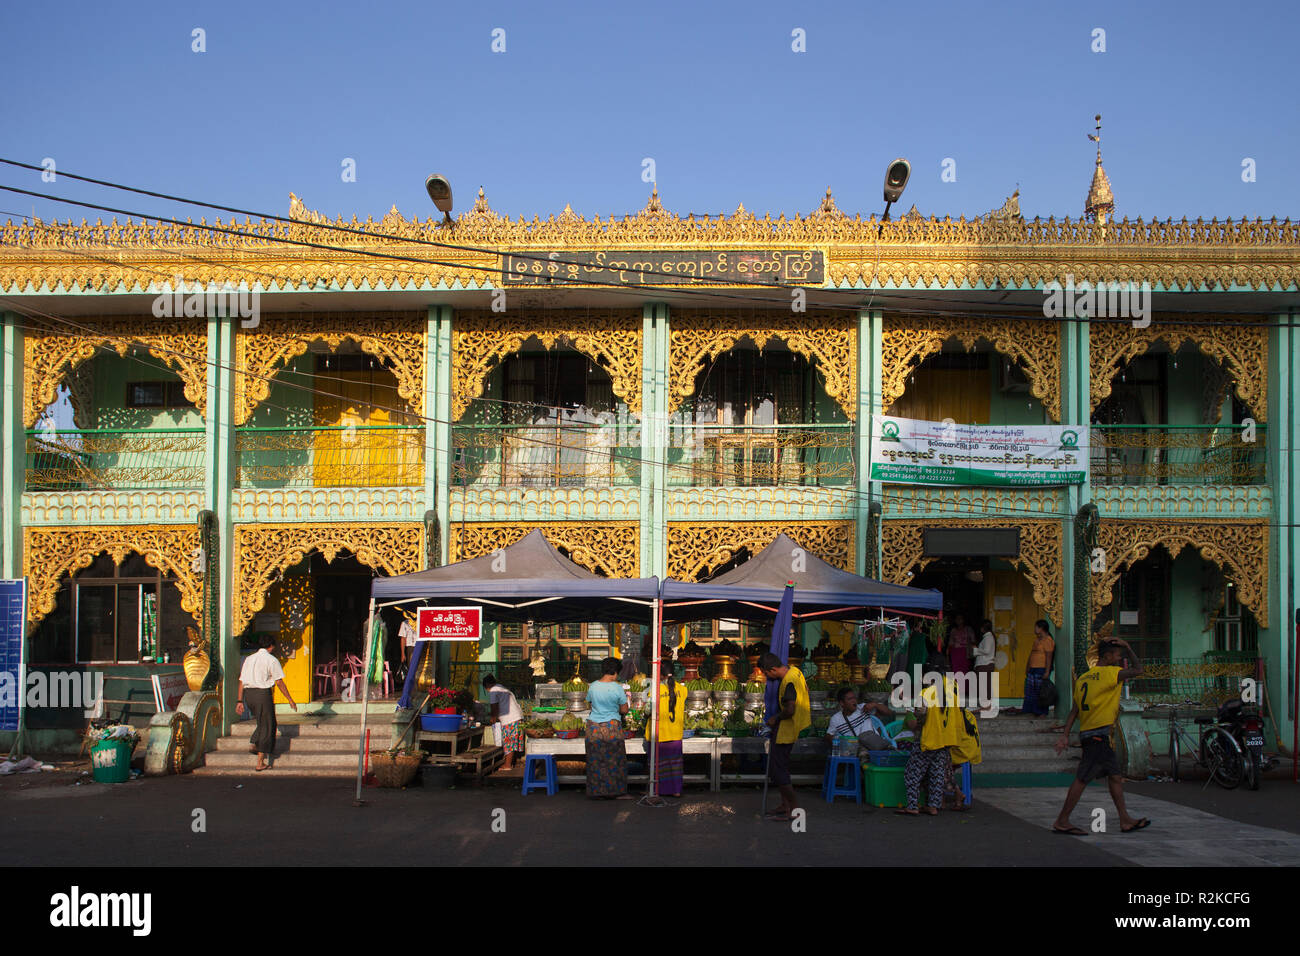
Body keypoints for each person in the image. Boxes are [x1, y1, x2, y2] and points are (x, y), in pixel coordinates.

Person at [1051, 639, 1151, 835]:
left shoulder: (1083, 679)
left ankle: (1125, 819)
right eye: (1116, 654)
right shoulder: (1111, 673)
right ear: (1106, 657)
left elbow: (1074, 711)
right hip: (1098, 735)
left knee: (1115, 777)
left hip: (1091, 734)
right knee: (1082, 779)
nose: (1119, 657)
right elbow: (1139, 669)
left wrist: (1065, 734)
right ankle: (1062, 820)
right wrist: (1130, 647)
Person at [898, 657, 960, 816]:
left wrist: (913, 713)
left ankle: (912, 806)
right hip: (946, 739)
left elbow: (921, 715)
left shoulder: (926, 693)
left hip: (929, 739)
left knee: (912, 772)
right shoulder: (953, 690)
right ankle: (933, 806)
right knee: (936, 774)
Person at [758, 652, 811, 822]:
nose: (767, 677)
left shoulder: (788, 681)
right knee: (781, 767)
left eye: (766, 674)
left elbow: (790, 710)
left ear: (772, 669)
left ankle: (795, 809)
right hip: (793, 727)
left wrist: (775, 718)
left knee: (779, 770)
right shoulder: (796, 671)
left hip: (786, 729)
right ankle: (785, 805)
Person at [235, 634, 297, 771]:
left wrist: (239, 700)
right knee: (267, 726)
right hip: (262, 694)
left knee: (264, 721)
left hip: (249, 695)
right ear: (271, 646)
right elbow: (279, 682)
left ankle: (255, 743)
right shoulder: (271, 660)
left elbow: (241, 681)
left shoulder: (249, 659)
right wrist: (290, 699)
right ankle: (260, 761)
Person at [585, 658, 631, 799]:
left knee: (595, 760)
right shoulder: (617, 687)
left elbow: (589, 705)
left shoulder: (592, 686)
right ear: (615, 672)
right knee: (614, 761)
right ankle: (616, 792)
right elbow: (624, 710)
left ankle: (597, 792)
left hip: (594, 728)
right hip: (611, 727)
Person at [646, 648, 689, 797]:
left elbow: (648, 710)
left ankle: (659, 790)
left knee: (659, 764)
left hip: (659, 733)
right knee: (674, 764)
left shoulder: (655, 690)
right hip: (675, 733)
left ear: (660, 674)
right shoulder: (682, 690)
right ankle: (676, 791)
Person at [825, 687, 894, 751]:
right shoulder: (836, 719)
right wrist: (841, 744)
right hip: (857, 748)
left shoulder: (863, 708)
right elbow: (828, 736)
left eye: (854, 698)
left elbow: (889, 713)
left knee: (890, 751)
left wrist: (875, 704)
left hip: (875, 743)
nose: (854, 701)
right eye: (850, 699)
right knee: (863, 753)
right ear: (842, 703)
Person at [482, 674, 522, 771]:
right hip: (517, 716)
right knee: (512, 741)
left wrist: (492, 719)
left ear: (487, 685)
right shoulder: (501, 688)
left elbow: (494, 707)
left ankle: (507, 765)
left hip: (510, 718)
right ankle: (510, 762)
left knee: (509, 741)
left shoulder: (493, 690)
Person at [1022, 619, 1055, 716]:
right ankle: (1031, 710)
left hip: (1041, 669)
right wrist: (1027, 666)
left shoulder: (1048, 640)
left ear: (1041, 628)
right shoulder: (1037, 640)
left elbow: (1049, 657)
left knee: (1041, 692)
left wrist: (1047, 671)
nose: (1035, 629)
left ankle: (1041, 712)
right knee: (1030, 691)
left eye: (1036, 627)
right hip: (1033, 668)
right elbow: (1031, 654)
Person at [973, 619, 997, 711]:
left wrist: (976, 649)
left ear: (983, 628)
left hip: (985, 664)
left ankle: (986, 706)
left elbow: (986, 651)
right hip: (985, 664)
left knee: (984, 686)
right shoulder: (988, 637)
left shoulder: (988, 638)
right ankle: (986, 705)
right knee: (984, 685)